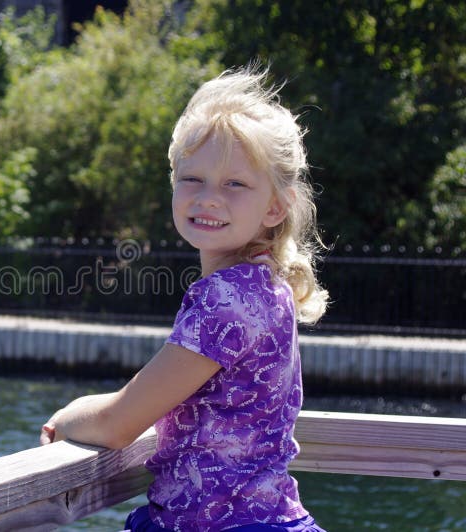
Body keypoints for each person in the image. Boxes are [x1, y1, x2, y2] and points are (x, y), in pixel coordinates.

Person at [39, 66, 329, 531]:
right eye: (192, 178)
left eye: (235, 184)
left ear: (276, 207)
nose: (209, 198)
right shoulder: (266, 287)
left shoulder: (225, 299)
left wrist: (68, 417)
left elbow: (118, 424)